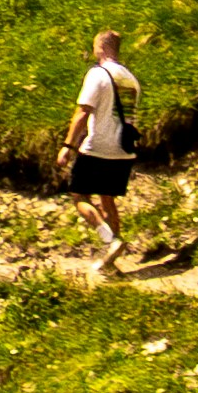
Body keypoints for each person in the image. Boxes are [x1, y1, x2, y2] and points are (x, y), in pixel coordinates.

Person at [60, 31, 143, 266]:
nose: (94, 51)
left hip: (98, 147)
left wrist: (68, 145)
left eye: (95, 47)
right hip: (124, 150)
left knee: (79, 196)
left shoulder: (98, 74)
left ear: (103, 48)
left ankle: (109, 240)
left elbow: (82, 112)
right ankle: (111, 260)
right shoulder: (130, 79)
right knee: (108, 199)